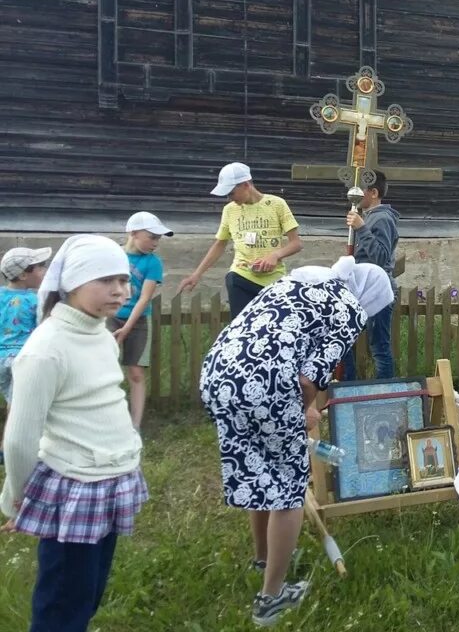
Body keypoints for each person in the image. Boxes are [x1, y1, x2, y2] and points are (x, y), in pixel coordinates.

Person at [199, 255, 392, 627]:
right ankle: (271, 599)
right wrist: (305, 411)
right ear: (369, 296)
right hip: (267, 388)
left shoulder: (297, 283)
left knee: (259, 471)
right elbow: (308, 380)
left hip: (220, 376)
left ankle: (262, 558)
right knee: (288, 489)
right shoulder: (349, 307)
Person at [1, 235, 147, 632]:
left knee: (89, 591)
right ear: (72, 282)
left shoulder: (100, 333)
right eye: (105, 280)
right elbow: (19, 437)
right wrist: (16, 496)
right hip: (74, 488)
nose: (119, 291)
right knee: (62, 604)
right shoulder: (45, 350)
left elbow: (105, 399)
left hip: (111, 479)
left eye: (123, 280)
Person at [179, 162, 303, 318]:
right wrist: (197, 274)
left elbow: (296, 244)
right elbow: (220, 243)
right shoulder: (229, 210)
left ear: (245, 185)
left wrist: (275, 255)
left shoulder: (277, 204)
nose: (229, 198)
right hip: (241, 274)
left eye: (231, 193)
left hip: (274, 279)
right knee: (242, 327)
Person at [107, 212, 173, 430]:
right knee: (105, 369)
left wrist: (126, 328)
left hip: (137, 322)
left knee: (135, 372)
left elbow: (144, 298)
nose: (156, 243)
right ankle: (105, 419)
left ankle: (134, 425)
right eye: (152, 237)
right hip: (109, 319)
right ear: (134, 233)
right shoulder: (114, 256)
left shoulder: (153, 263)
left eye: (158, 239)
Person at [340, 170, 400, 380]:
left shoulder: (382, 218)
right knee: (343, 339)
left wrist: (362, 229)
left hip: (377, 289)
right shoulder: (370, 217)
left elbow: (381, 257)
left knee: (379, 347)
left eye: (361, 190)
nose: (355, 194)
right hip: (362, 287)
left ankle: (384, 394)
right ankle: (348, 390)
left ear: (373, 192)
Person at [0, 247, 52, 407]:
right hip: (23, 357)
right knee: (20, 404)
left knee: (11, 398)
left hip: (1, 357)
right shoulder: (34, 300)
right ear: (23, 275)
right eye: (40, 267)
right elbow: (43, 329)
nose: (45, 270)